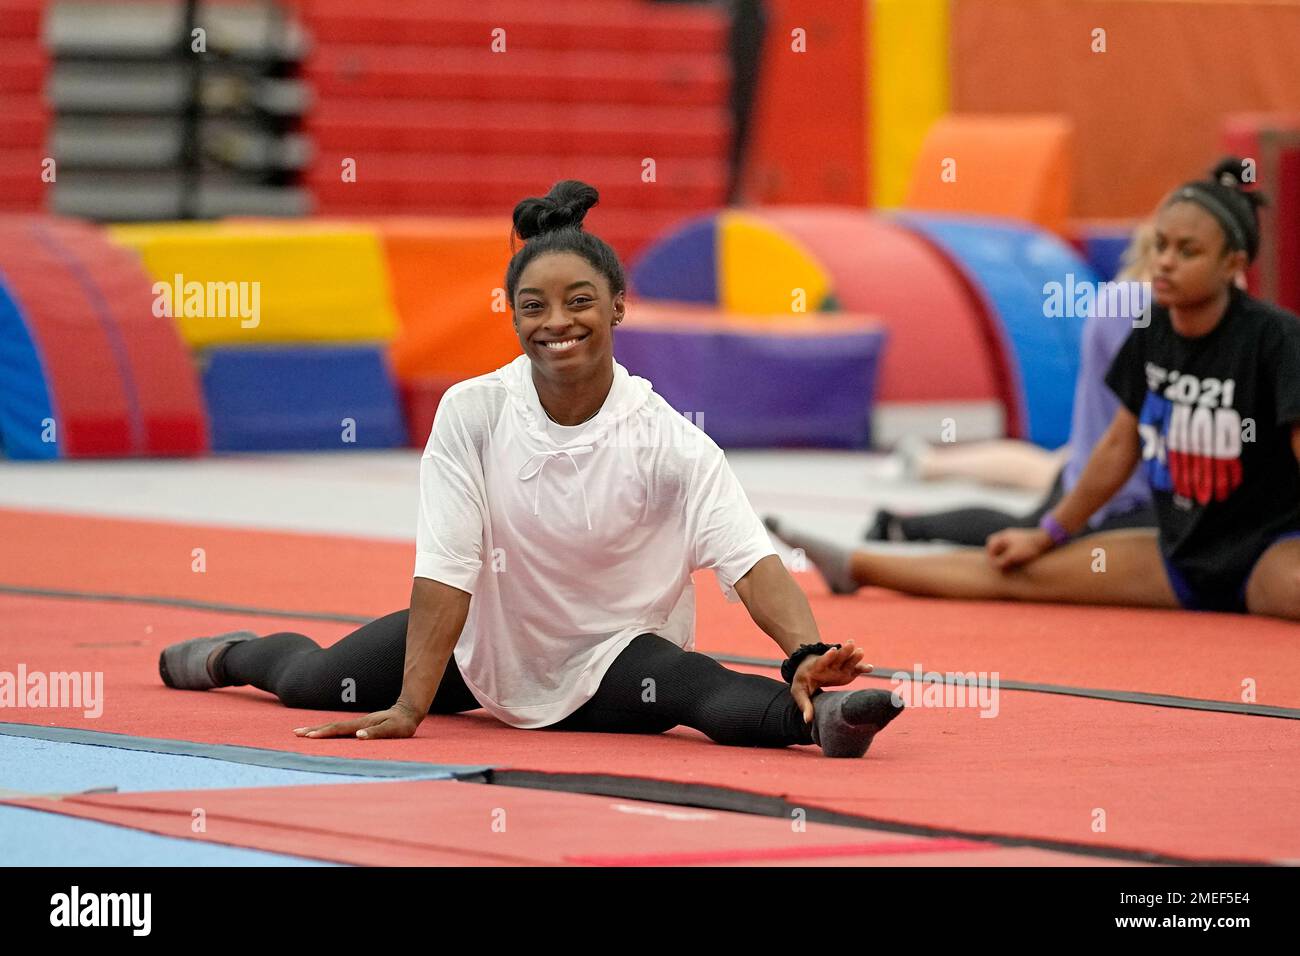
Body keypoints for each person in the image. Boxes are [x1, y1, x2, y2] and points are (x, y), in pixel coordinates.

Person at [158, 180, 903, 758]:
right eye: (533, 306)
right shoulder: (473, 412)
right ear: (512, 316)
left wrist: (806, 650)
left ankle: (824, 719)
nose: (557, 323)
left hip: (615, 656)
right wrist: (412, 706)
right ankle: (230, 657)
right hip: (483, 642)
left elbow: (750, 561)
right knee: (316, 684)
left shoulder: (672, 442)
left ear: (616, 307)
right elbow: (448, 568)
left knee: (691, 688)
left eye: (580, 302)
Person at [768, 158, 1300, 619]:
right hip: (1179, 551)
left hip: (1264, 550)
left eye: (1187, 252)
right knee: (1020, 572)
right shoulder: (1152, 330)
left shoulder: (1274, 339)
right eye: (1160, 245)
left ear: (1233, 264)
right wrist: (1048, 533)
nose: (1164, 261)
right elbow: (1119, 446)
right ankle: (856, 564)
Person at [865, 222, 1162, 545]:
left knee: (1037, 488)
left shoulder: (1142, 301)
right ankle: (909, 515)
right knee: (1029, 532)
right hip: (1112, 481)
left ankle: (920, 484)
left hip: (1102, 464)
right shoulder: (1134, 303)